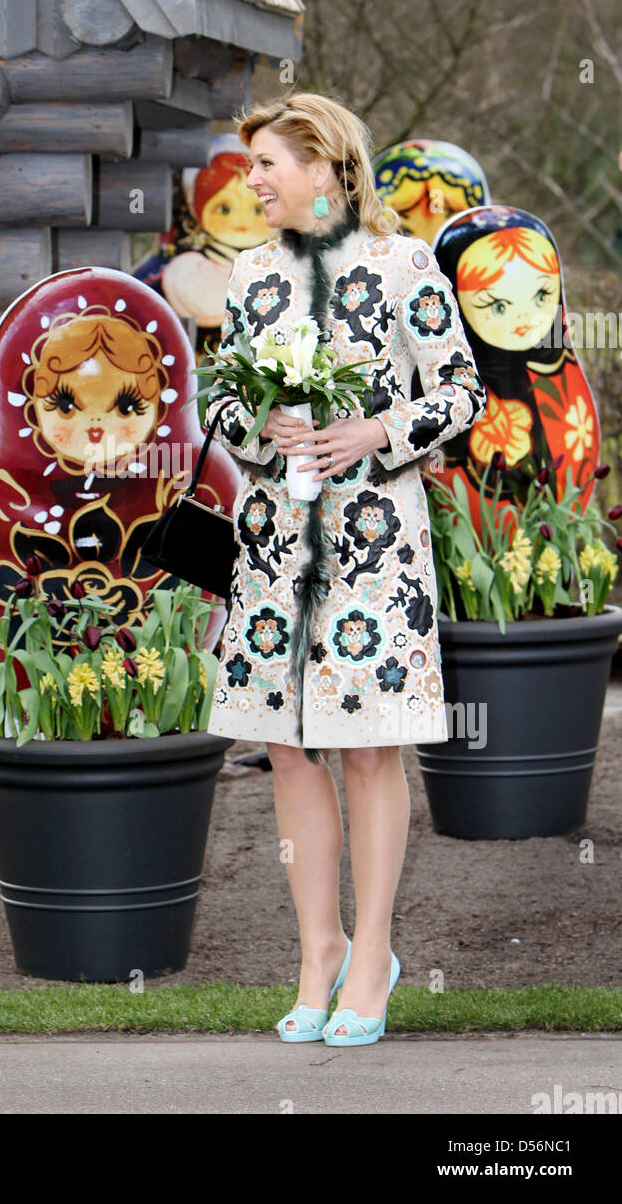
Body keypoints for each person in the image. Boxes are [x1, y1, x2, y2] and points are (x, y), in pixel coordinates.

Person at [205, 95, 486, 1045]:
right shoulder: (248, 274)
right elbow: (223, 398)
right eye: (250, 168)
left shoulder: (405, 264)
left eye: (266, 165)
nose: (252, 182)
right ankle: (316, 948)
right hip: (273, 540)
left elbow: (460, 391)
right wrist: (260, 427)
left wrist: (375, 429)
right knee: (287, 746)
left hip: (375, 544)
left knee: (369, 748)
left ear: (325, 169)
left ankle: (372, 954)